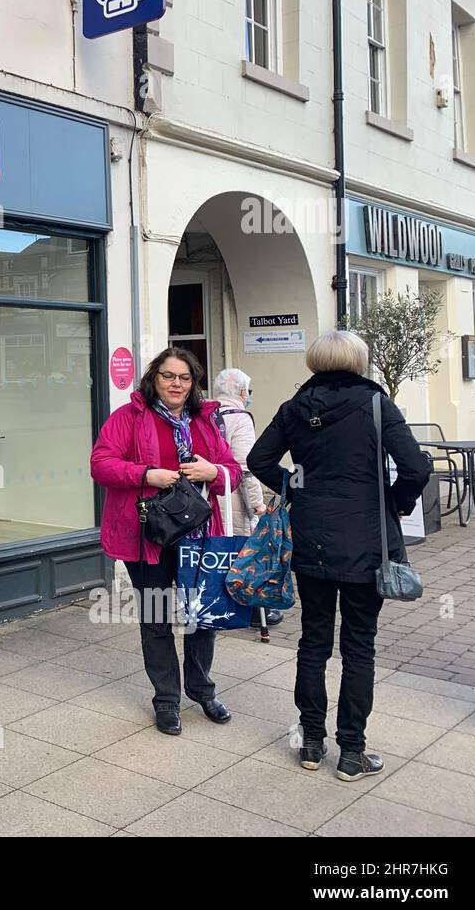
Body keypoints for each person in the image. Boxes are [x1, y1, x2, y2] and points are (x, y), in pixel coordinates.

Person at [248, 330, 429, 781]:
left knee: (313, 640)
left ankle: (311, 741)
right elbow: (416, 468)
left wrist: (295, 485)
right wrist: (396, 503)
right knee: (358, 646)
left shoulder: (295, 408)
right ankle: (352, 752)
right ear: (358, 362)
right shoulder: (375, 405)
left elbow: (259, 458)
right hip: (367, 541)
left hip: (310, 538)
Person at [91, 348, 243, 735]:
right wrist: (148, 475)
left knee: (201, 619)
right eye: (168, 376)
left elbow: (233, 472)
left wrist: (214, 471)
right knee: (157, 618)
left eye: (185, 377)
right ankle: (167, 700)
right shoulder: (129, 417)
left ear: (194, 383)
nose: (177, 384)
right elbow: (101, 464)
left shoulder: (206, 421)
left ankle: (201, 689)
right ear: (154, 378)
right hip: (149, 539)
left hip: (199, 539)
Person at [210, 368, 282, 632]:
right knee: (243, 553)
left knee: (214, 552)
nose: (248, 396)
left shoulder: (206, 413)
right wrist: (257, 505)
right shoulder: (240, 418)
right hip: (233, 498)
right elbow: (246, 467)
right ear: (241, 392)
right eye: (248, 391)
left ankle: (213, 603)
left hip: (209, 495)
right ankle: (250, 610)